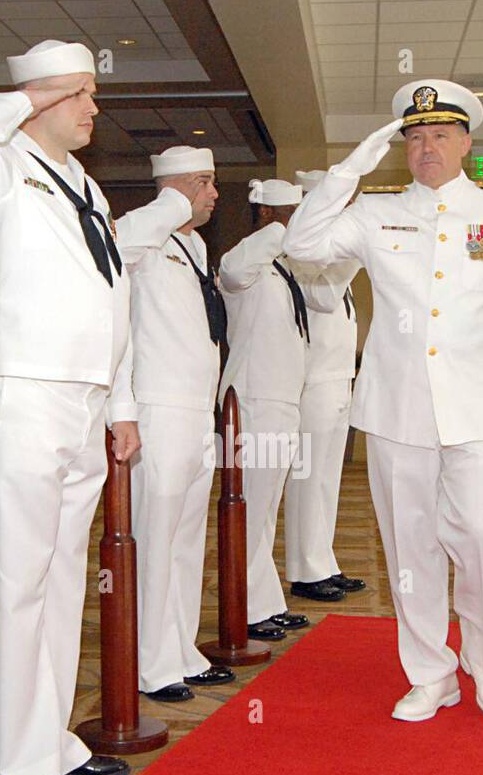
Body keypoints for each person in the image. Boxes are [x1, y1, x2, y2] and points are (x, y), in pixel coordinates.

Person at [0, 39, 193, 775]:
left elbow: (113, 301)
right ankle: (17, 756)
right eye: (81, 94)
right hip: (24, 390)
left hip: (85, 397)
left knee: (65, 575)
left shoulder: (83, 185)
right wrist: (30, 99)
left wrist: (124, 406)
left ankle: (52, 739)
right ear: (40, 97)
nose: (93, 108)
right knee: (19, 577)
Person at [284, 79, 483, 723]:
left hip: (482, 411)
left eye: (440, 134)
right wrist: (352, 166)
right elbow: (302, 245)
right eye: (413, 137)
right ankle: (430, 672)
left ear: (466, 141)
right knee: (410, 546)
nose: (426, 147)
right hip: (396, 409)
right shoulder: (374, 212)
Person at [117, 144, 232, 702]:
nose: (214, 194)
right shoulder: (145, 235)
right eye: (204, 183)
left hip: (197, 408)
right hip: (158, 409)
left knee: (188, 539)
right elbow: (116, 245)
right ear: (176, 187)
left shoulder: (194, 245)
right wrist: (170, 201)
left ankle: (181, 649)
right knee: (155, 539)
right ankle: (150, 663)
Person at [218, 178, 344, 642]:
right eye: (294, 212)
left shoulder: (284, 270)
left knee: (266, 511)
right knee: (249, 511)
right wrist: (281, 228)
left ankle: (264, 602)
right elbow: (231, 269)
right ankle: (243, 610)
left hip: (283, 401)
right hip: (252, 402)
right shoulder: (245, 264)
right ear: (269, 217)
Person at [284, 169, 366, 603]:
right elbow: (323, 298)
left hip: (338, 381)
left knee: (329, 479)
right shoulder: (303, 254)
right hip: (313, 383)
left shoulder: (334, 260)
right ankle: (305, 569)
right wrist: (356, 255)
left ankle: (324, 560)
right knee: (309, 478)